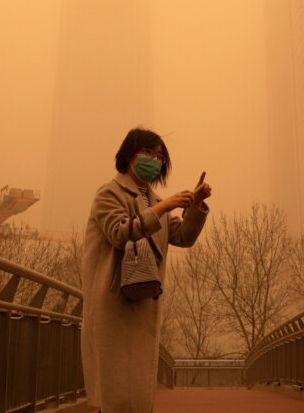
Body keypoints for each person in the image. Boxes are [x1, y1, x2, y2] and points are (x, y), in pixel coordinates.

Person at [80, 127, 212, 413]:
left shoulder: (153, 202)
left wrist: (196, 205)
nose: (155, 160)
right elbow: (119, 233)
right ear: (129, 155)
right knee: (117, 396)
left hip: (143, 302)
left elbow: (183, 237)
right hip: (114, 306)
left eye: (160, 156)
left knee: (136, 396)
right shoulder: (109, 193)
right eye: (149, 153)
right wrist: (164, 206)